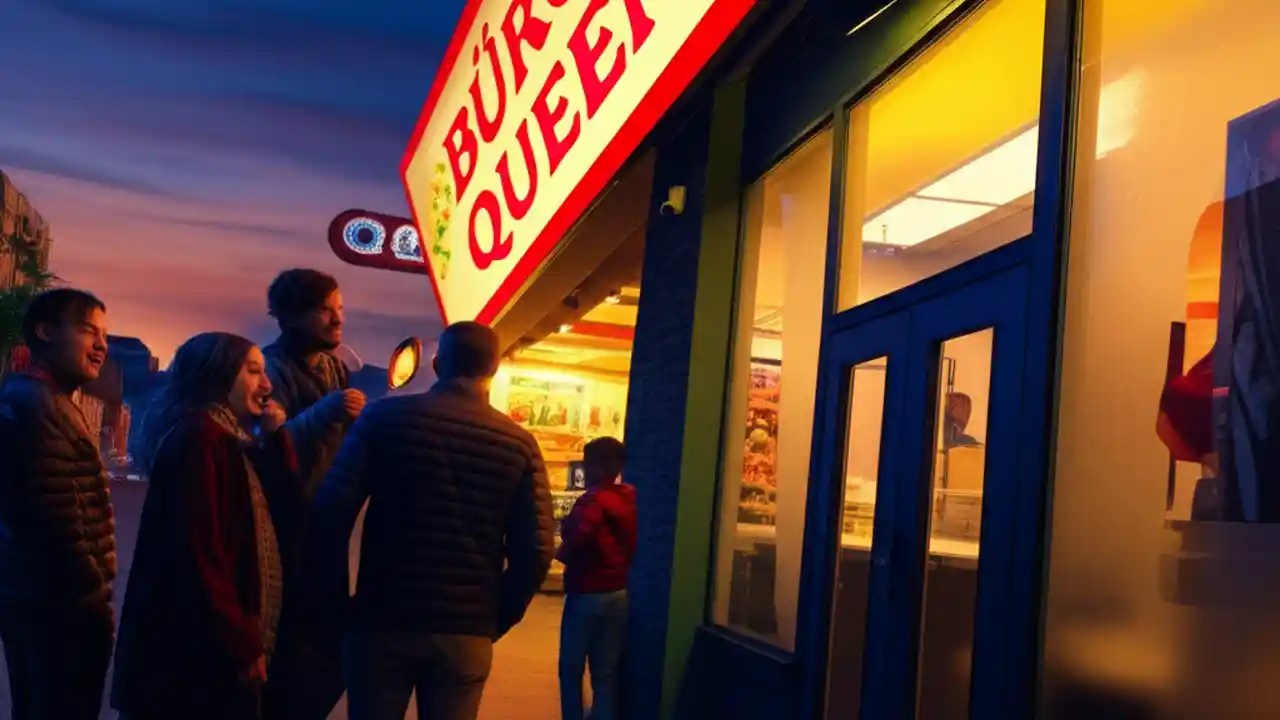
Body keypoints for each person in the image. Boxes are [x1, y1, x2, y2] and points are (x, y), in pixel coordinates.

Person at [308, 321, 555, 720]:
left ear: (437, 364)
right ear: (492, 368)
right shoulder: (518, 443)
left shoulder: (382, 420)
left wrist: (340, 604)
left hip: (383, 618)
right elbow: (538, 551)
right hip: (465, 631)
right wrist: (494, 617)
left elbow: (329, 514)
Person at [112, 332, 298, 720]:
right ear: (219, 376)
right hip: (190, 654)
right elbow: (202, 550)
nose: (267, 385)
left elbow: (288, 503)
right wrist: (243, 643)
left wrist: (277, 436)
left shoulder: (228, 441)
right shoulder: (201, 439)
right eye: (253, 372)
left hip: (203, 648)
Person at [0, 289, 116, 720]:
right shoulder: (34, 406)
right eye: (89, 331)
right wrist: (91, 594)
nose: (102, 345)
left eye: (104, 334)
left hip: (50, 605)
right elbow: (51, 519)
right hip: (56, 608)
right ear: (45, 333)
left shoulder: (48, 402)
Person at [260, 268, 365, 719]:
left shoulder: (334, 366)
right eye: (324, 309)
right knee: (289, 638)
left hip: (327, 520)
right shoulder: (265, 368)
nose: (336, 318)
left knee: (328, 640)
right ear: (289, 316)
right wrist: (327, 411)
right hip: (284, 524)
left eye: (339, 308)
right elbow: (267, 444)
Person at [557, 437, 636, 720]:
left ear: (596, 464)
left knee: (571, 666)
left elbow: (580, 536)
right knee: (605, 671)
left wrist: (562, 552)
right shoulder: (629, 498)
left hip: (587, 591)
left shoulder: (592, 501)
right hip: (618, 590)